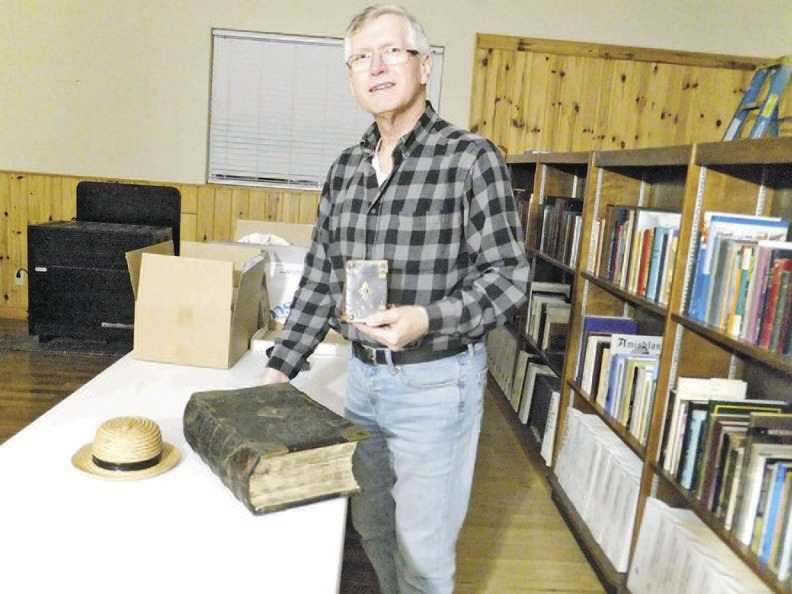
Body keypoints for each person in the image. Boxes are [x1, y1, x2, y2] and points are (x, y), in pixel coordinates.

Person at [261, 4, 530, 593]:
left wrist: (427, 320)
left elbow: (509, 276)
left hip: (436, 384)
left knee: (425, 557)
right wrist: (280, 369)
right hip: (361, 382)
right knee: (372, 524)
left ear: (424, 66)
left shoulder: (469, 158)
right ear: (351, 77)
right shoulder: (344, 170)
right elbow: (322, 278)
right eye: (361, 57)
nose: (376, 67)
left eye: (391, 52)